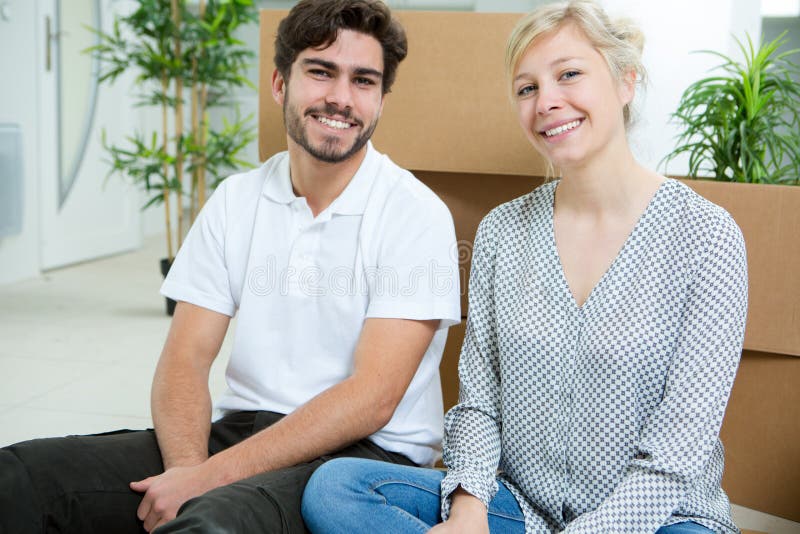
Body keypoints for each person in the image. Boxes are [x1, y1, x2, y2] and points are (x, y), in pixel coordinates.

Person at [0, 1, 461, 532]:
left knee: (211, 525)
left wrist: (206, 485)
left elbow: (372, 399)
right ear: (279, 83)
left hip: (360, 462)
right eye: (320, 71)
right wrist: (189, 473)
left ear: (380, 99)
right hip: (241, 434)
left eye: (363, 80)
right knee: (21, 477)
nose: (340, 97)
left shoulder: (413, 212)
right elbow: (185, 360)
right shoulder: (235, 199)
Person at [300, 1, 748, 533]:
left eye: (569, 75)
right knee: (336, 488)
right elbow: (480, 404)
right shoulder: (502, 232)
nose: (547, 102)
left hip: (661, 520)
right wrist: (468, 509)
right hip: (520, 512)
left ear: (625, 81)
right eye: (527, 88)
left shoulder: (708, 237)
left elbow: (677, 453)